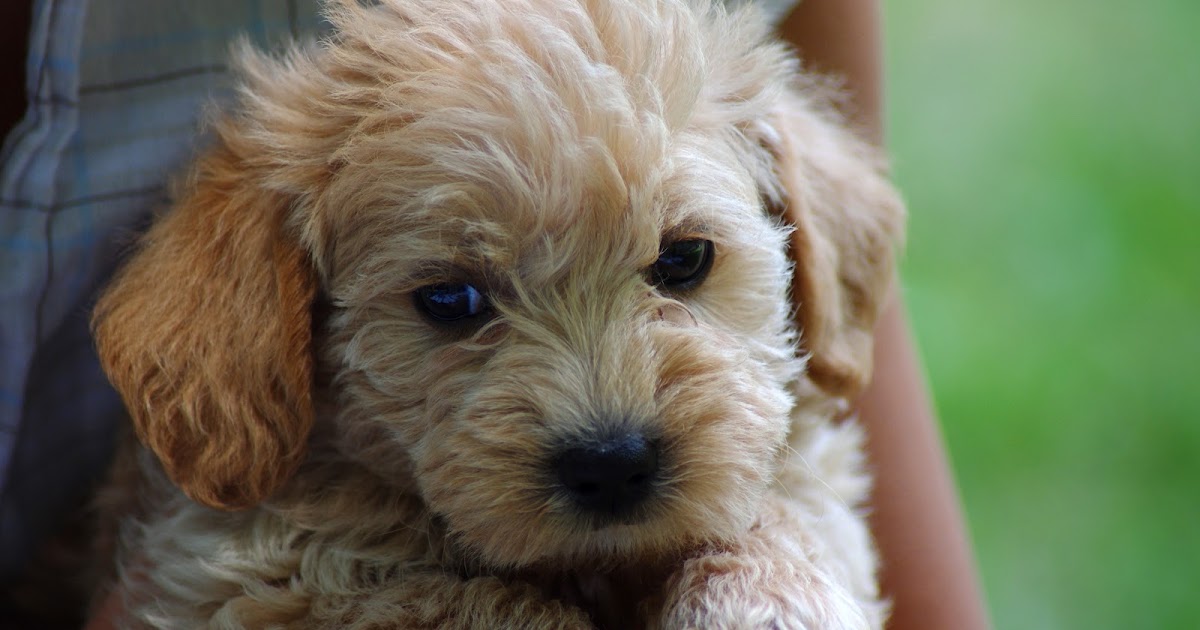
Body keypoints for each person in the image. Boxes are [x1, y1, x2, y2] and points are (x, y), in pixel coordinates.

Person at [0, 1, 988, 628]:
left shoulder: (770, 442)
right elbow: (219, 586)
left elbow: (834, 481)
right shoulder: (297, 504)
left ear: (793, 234)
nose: (606, 420)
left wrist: (763, 580)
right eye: (455, 303)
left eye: (680, 264)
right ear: (294, 310)